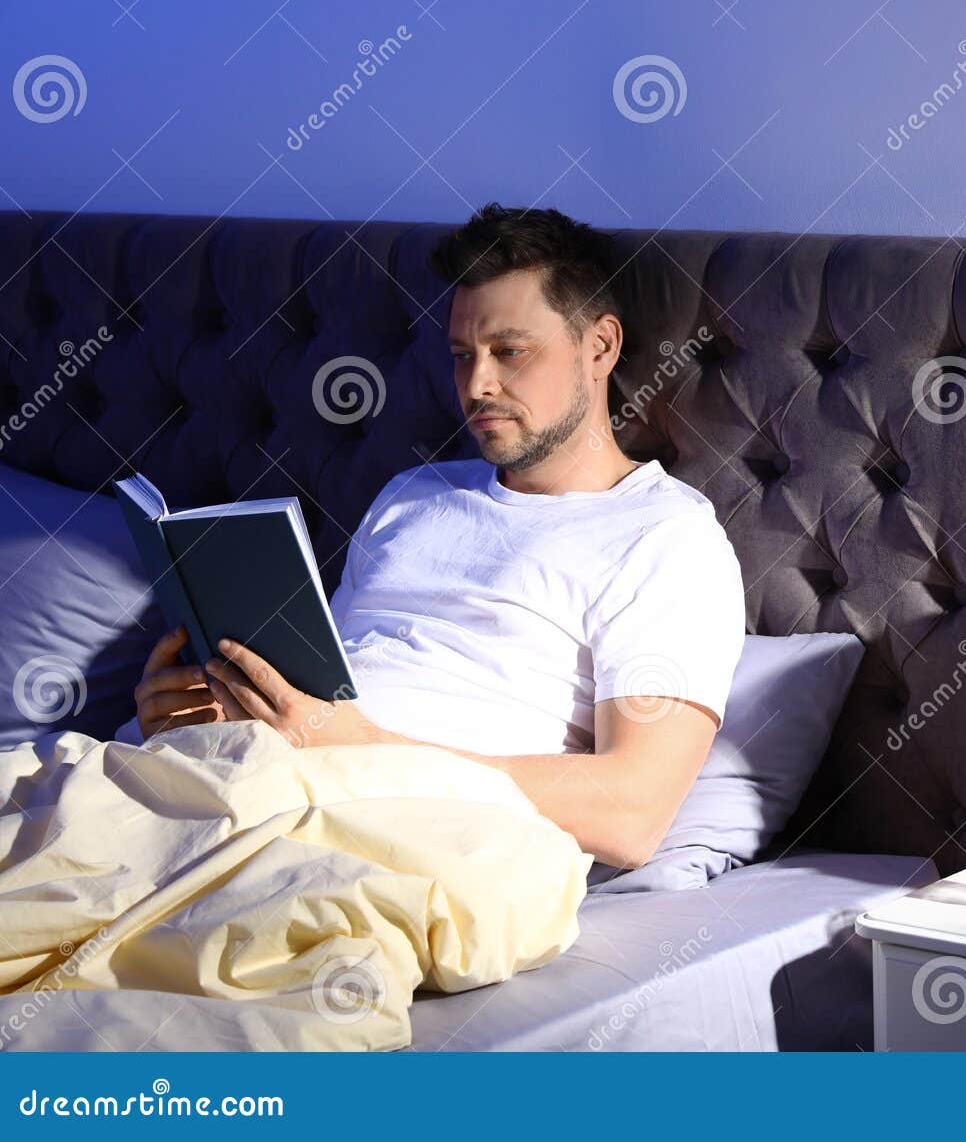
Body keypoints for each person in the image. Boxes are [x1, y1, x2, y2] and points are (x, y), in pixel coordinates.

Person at [121, 205, 746, 871]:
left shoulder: (666, 539)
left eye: (510, 351)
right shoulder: (411, 496)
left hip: (398, 835)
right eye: (460, 355)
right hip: (242, 782)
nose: (477, 385)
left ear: (599, 347)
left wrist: (365, 750)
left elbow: (633, 813)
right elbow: (325, 694)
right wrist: (208, 713)